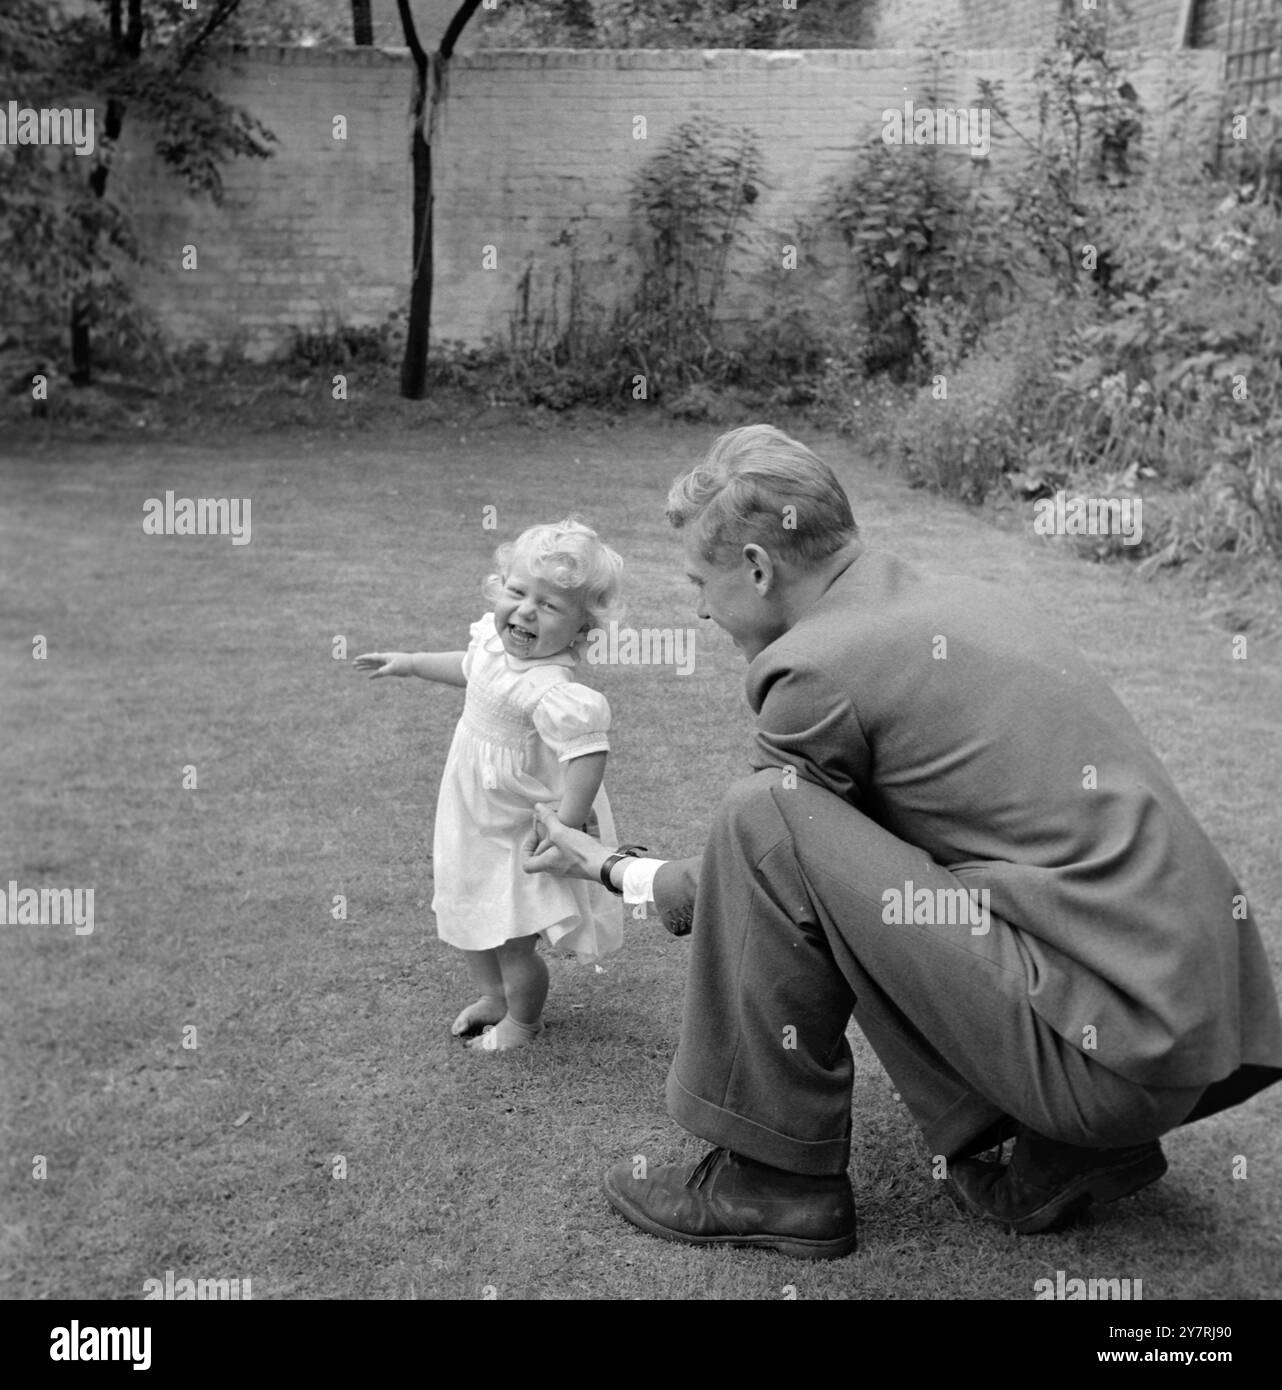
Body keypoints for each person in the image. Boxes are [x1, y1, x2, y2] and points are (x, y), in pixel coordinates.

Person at [523, 425, 1282, 1259]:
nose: (702, 609)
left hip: (1111, 1052)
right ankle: (1065, 1151)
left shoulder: (814, 665)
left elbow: (764, 867)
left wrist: (617, 867)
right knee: (861, 850)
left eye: (701, 584)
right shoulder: (964, 600)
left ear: (757, 566)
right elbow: (869, 862)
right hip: (1209, 1030)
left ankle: (774, 1181)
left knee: (764, 812)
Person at [357, 518, 626, 1052]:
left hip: (519, 826)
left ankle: (522, 1022)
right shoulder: (491, 646)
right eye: (519, 592)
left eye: (549, 606)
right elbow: (467, 668)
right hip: (470, 812)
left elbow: (587, 753)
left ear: (580, 630)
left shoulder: (551, 689)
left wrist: (566, 827)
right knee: (465, 904)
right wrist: (409, 663)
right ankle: (493, 998)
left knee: (510, 936)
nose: (526, 610)